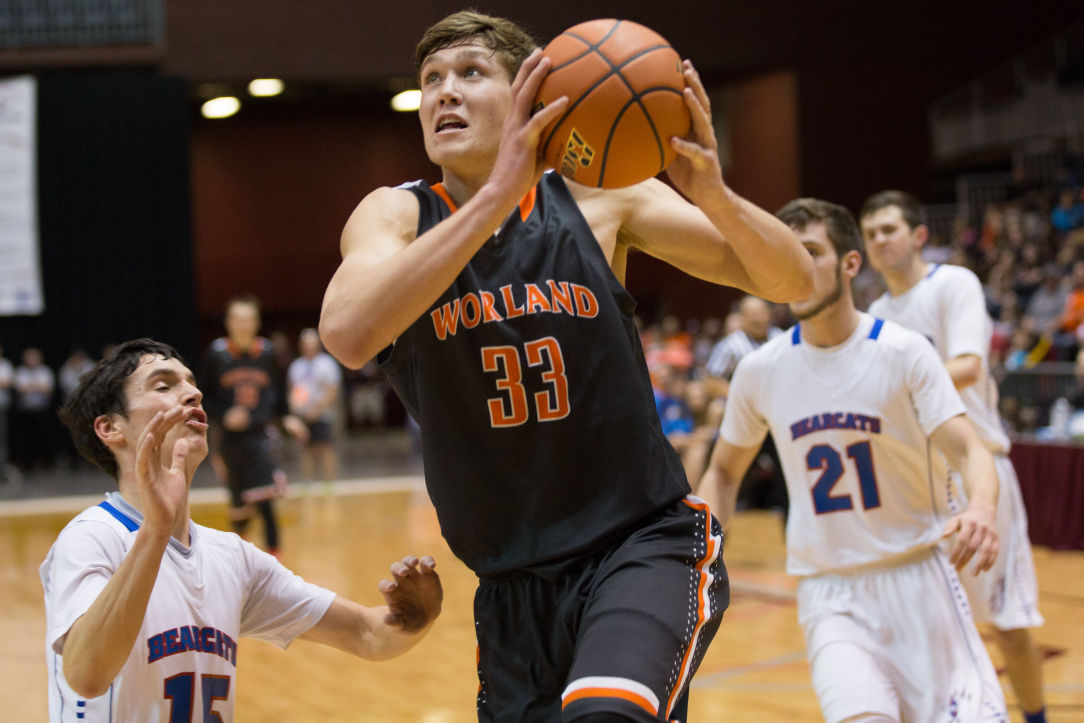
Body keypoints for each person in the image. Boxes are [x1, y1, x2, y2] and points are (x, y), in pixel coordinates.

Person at [318, 10, 813, 721]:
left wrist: (713, 193)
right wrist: (494, 197)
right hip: (511, 584)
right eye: (430, 80)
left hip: (638, 544)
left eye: (470, 73)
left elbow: (792, 279)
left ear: (531, 94)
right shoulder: (393, 217)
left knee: (604, 713)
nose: (444, 92)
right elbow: (346, 333)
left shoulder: (598, 196)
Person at [697, 198, 1007, 722]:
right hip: (829, 593)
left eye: (811, 252)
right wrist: (701, 549)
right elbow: (724, 471)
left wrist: (981, 508)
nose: (795, 266)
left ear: (850, 264)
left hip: (920, 577)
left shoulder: (905, 352)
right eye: (785, 252)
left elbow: (970, 451)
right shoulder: (759, 370)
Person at [40, 338, 442, 721]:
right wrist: (155, 532)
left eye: (192, 383)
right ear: (110, 428)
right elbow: (87, 675)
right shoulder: (92, 537)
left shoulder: (232, 558)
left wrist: (415, 618)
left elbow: (366, 634)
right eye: (164, 386)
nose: (194, 393)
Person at [861, 190, 1046, 723]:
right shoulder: (876, 313)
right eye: (870, 234)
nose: (878, 241)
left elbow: (967, 366)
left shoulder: (954, 284)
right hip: (915, 475)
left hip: (976, 467)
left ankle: (1036, 717)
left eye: (888, 229)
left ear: (919, 235)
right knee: (925, 624)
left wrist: (889, 388)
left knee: (1007, 620)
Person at [200, 296, 306, 557]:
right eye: (237, 319)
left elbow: (278, 391)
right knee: (239, 505)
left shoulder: (267, 353)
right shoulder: (216, 354)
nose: (243, 324)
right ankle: (240, 560)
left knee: (266, 500)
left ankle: (275, 562)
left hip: (261, 436)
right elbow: (203, 396)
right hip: (229, 439)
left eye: (248, 319)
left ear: (256, 322)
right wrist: (224, 415)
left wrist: (287, 416)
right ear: (228, 322)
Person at [287, 327, 343, 486]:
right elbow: (292, 389)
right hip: (303, 415)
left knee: (325, 448)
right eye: (306, 343)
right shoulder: (296, 366)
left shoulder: (327, 363)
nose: (309, 347)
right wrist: (295, 409)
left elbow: (333, 390)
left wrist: (317, 409)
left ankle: (329, 484)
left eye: (312, 343)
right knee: (305, 449)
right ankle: (307, 483)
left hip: (323, 414)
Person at [13, 346, 56, 472]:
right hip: (26, 410)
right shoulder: (20, 371)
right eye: (29, 357)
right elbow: (21, 389)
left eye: (34, 356)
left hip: (42, 410)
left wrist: (30, 386)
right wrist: (37, 386)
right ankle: (28, 464)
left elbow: (47, 389)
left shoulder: (45, 371)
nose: (31, 359)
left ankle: (47, 462)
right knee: (27, 439)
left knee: (44, 437)